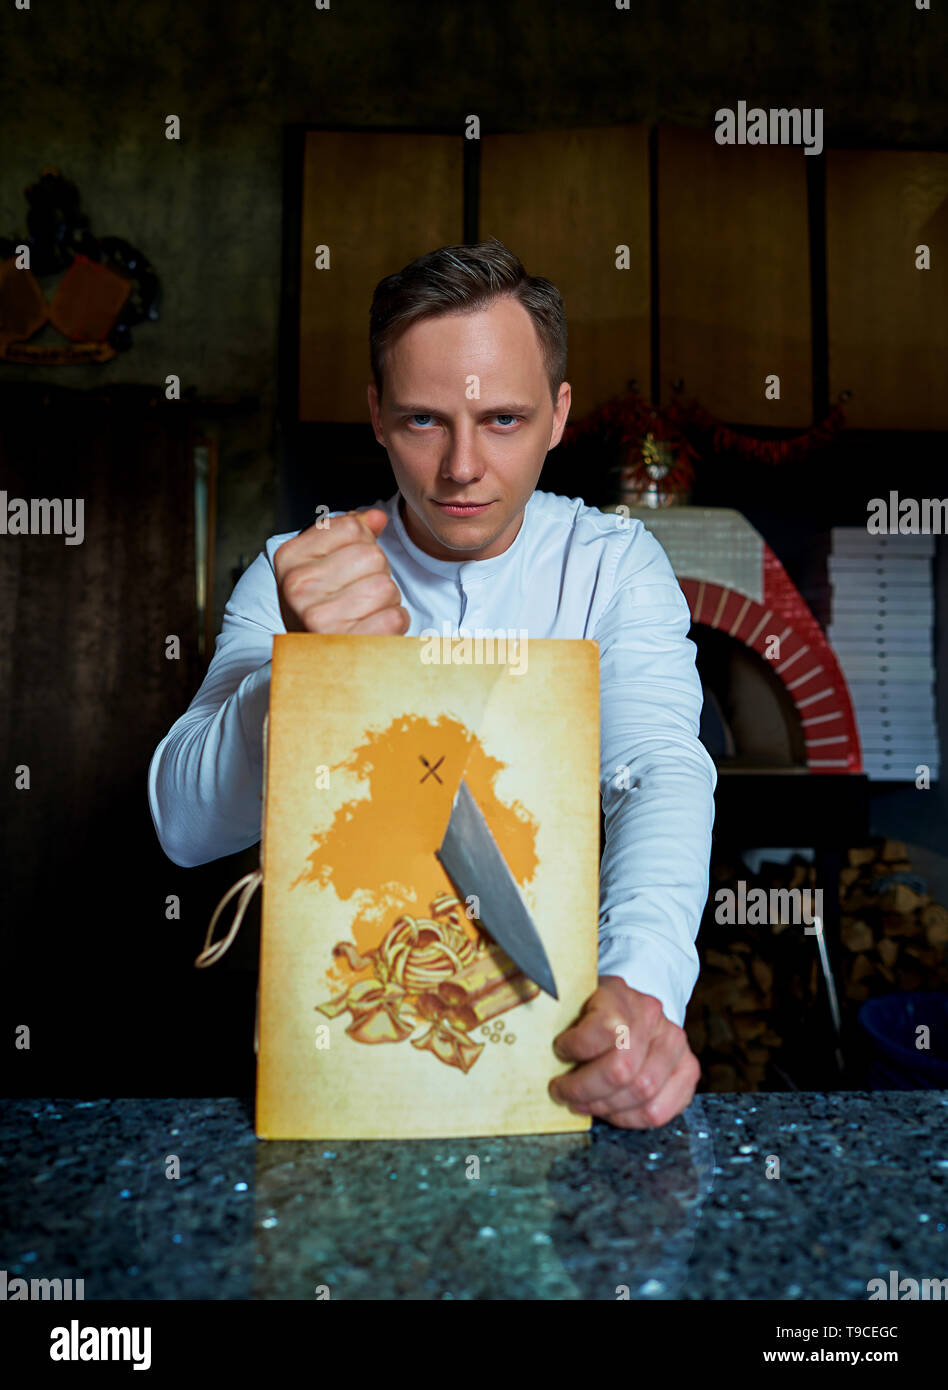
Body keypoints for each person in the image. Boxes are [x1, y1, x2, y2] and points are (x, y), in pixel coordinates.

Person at [148, 238, 716, 1129]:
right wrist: (304, 676)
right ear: (376, 414)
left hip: (547, 1041)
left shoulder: (613, 567)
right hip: (337, 1036)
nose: (460, 468)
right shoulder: (301, 570)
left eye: (502, 421)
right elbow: (182, 829)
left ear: (560, 416)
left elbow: (657, 770)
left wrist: (642, 982)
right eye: (423, 420)